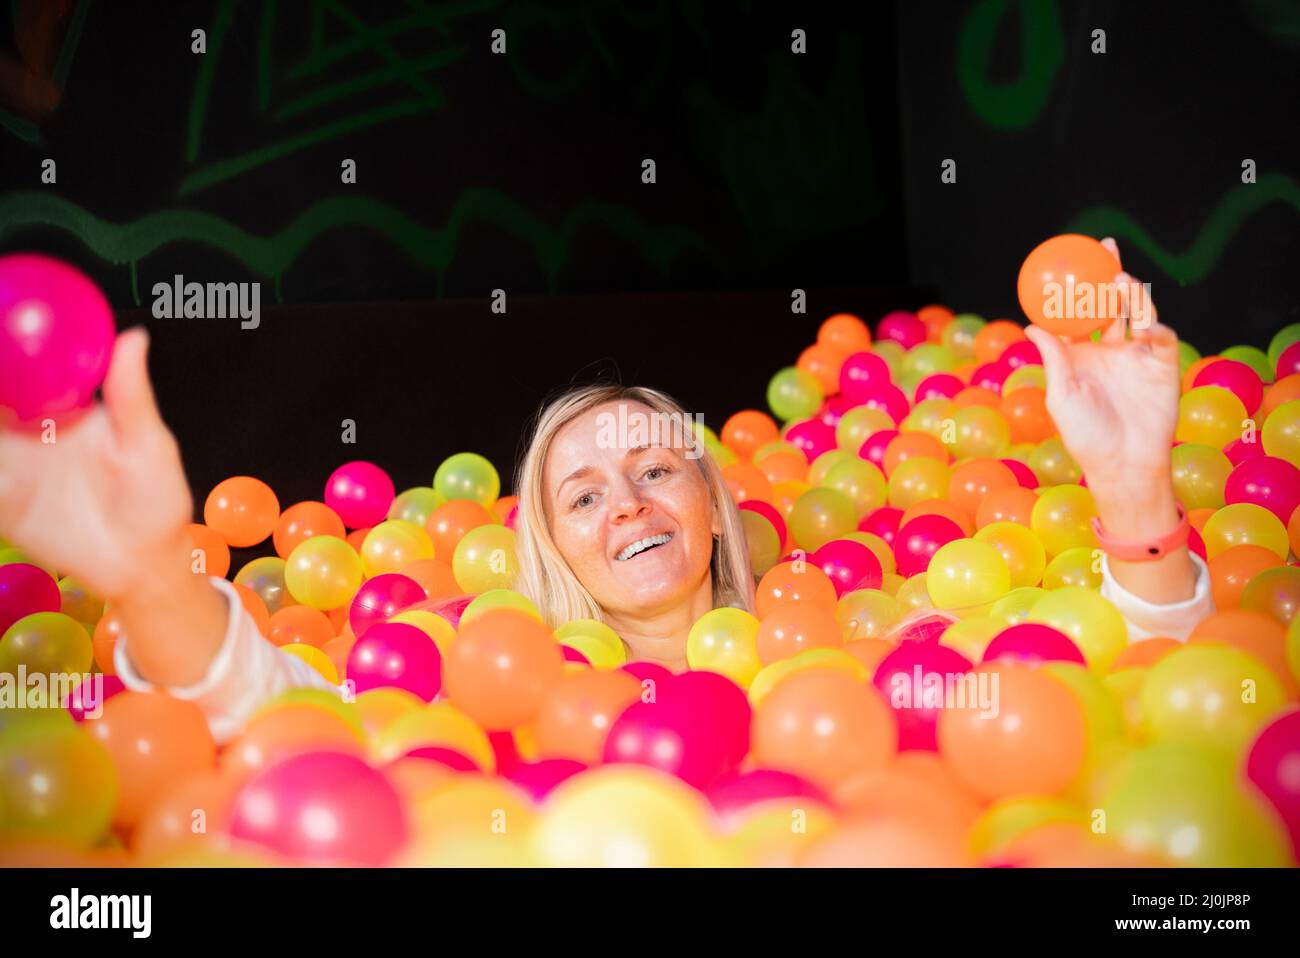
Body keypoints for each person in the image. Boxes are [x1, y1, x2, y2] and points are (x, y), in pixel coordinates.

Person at [0, 239, 1213, 741]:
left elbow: (1111, 693)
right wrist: (155, 578)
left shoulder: (865, 647)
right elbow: (287, 718)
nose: (625, 501)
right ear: (548, 551)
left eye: (652, 465)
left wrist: (1131, 486)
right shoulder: (500, 697)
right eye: (579, 495)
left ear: (715, 501)